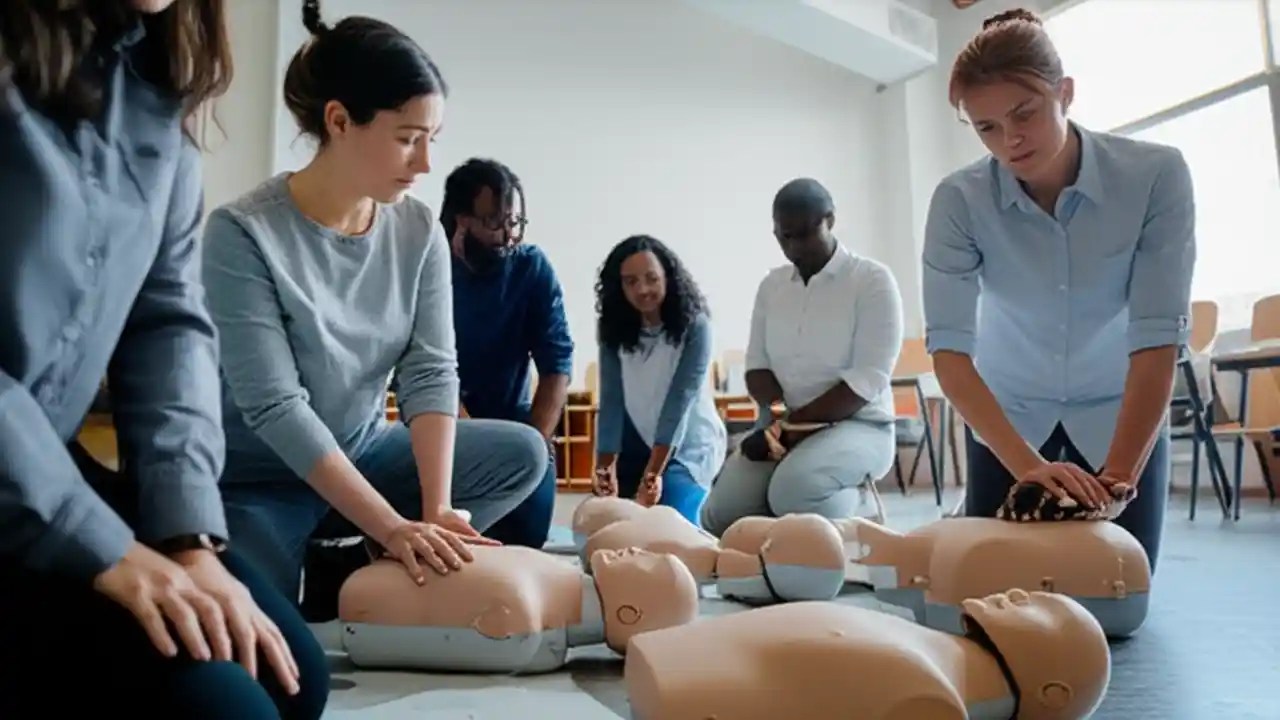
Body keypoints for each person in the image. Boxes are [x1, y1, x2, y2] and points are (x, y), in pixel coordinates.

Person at [0, 1, 328, 718]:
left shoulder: (149, 84)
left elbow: (167, 323)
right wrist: (101, 546)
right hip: (19, 480)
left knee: (290, 674)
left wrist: (186, 539)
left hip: (42, 464)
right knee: (224, 706)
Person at [202, 1, 547, 612]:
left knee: (522, 454)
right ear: (339, 121)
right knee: (264, 627)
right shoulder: (242, 233)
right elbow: (275, 406)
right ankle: (348, 549)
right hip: (262, 476)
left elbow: (431, 371)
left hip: (365, 450)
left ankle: (349, 556)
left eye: (432, 140)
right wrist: (392, 526)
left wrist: (436, 508)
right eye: (408, 139)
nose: (426, 163)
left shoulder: (417, 229)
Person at [922, 8, 1193, 571]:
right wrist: (1028, 469)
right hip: (1010, 417)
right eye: (986, 127)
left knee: (1118, 595)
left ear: (1064, 93)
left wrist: (1118, 479)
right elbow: (949, 352)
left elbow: (1156, 340)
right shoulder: (959, 201)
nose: (1010, 140)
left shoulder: (1155, 175)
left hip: (1118, 412)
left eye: (1024, 113)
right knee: (995, 593)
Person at [699, 179, 903, 536]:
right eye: (785, 237)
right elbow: (758, 368)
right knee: (721, 515)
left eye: (805, 234)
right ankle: (788, 532)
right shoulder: (772, 287)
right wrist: (780, 420)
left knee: (792, 493)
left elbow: (867, 380)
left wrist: (788, 431)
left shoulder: (872, 281)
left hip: (858, 425)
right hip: (783, 423)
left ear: (830, 220)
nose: (794, 247)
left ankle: (856, 507)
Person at [442, 158, 571, 548]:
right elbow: (421, 371)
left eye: (514, 222)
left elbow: (557, 364)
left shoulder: (532, 268)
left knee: (526, 536)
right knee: (453, 537)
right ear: (462, 220)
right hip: (441, 423)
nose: (507, 235)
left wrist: (534, 446)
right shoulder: (430, 267)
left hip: (517, 424)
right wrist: (472, 442)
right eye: (494, 222)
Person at [591, 235, 727, 523]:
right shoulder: (613, 330)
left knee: (668, 523)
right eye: (631, 282)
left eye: (651, 278)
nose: (642, 289)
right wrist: (605, 470)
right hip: (640, 440)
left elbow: (679, 401)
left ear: (668, 276)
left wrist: (651, 476)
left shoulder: (696, 327)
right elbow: (611, 400)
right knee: (599, 521)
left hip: (688, 445)